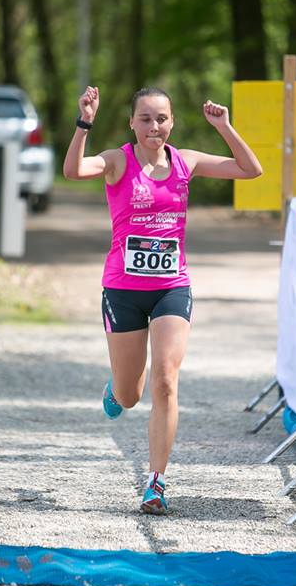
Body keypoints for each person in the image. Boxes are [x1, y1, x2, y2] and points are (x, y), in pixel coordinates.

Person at [63, 85, 262, 514]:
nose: (155, 127)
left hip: (172, 286)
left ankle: (156, 483)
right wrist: (84, 122)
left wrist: (224, 126)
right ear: (132, 123)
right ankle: (116, 390)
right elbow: (75, 170)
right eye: (146, 119)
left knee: (166, 380)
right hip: (123, 289)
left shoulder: (185, 161)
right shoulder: (119, 160)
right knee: (131, 394)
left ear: (172, 122)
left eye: (162, 119)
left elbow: (251, 170)